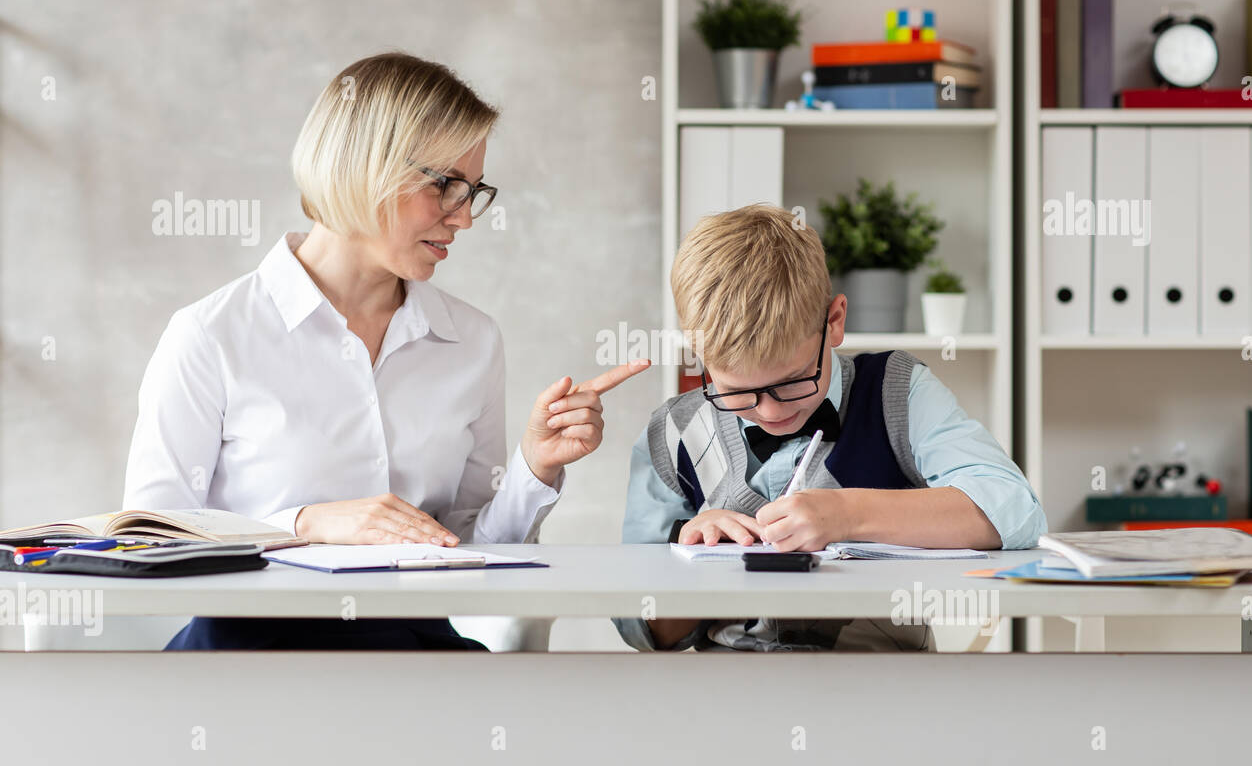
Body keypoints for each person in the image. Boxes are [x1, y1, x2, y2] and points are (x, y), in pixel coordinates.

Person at [123, 52, 648, 650]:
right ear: (362, 167)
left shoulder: (472, 342)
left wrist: (535, 466)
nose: (464, 217)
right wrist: (305, 525)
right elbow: (148, 542)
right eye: (445, 185)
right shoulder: (211, 335)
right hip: (241, 663)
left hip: (413, 655)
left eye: (473, 191)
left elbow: (471, 549)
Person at [614, 204, 1046, 652]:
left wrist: (846, 514)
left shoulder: (896, 391)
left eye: (792, 381)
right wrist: (692, 564)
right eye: (737, 391)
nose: (768, 412)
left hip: (882, 694)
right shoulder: (673, 432)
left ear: (834, 322)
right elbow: (642, 629)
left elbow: (1015, 511)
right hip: (727, 697)